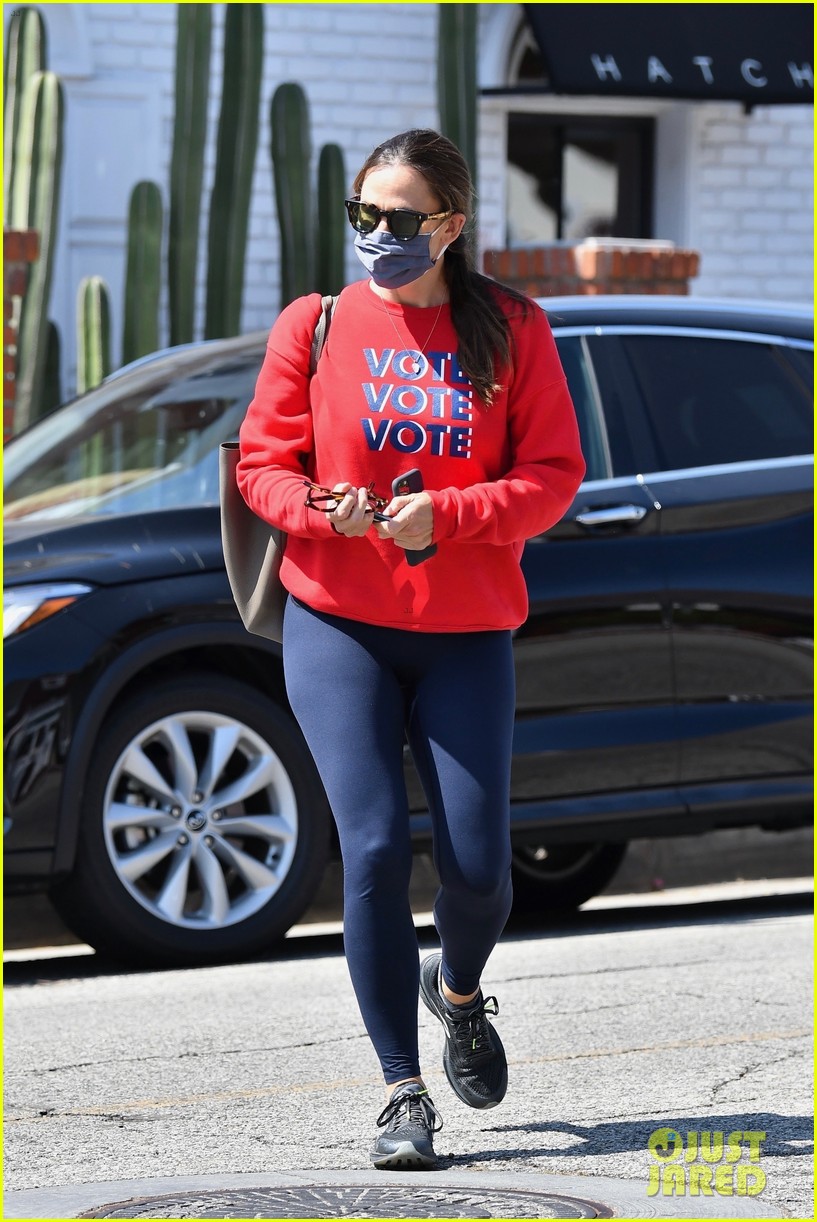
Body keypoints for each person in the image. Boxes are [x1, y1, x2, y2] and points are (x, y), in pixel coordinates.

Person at [237, 128, 585, 1170]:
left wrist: (451, 515)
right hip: (336, 622)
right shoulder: (317, 323)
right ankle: (401, 1090)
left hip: (466, 631)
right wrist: (321, 508)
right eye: (364, 215)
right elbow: (261, 464)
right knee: (377, 849)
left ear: (450, 226)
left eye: (399, 219)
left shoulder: (513, 329)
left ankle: (459, 992)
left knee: (478, 870)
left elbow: (553, 477)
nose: (376, 234)